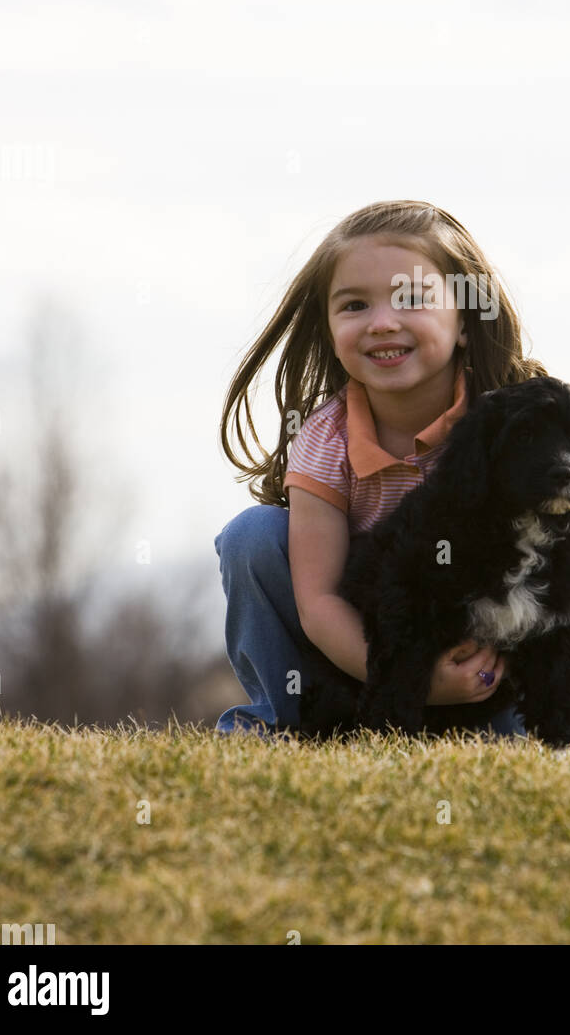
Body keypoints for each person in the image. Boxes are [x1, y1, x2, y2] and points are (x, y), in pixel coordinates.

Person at [214, 199, 549, 738]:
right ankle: (282, 721)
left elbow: (545, 574)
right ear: (328, 328)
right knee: (252, 536)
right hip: (361, 655)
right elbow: (320, 603)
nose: (382, 323)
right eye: (353, 306)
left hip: (479, 658)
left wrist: (466, 675)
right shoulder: (325, 439)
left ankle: (510, 736)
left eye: (412, 299)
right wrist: (414, 680)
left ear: (464, 320)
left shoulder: (507, 430)